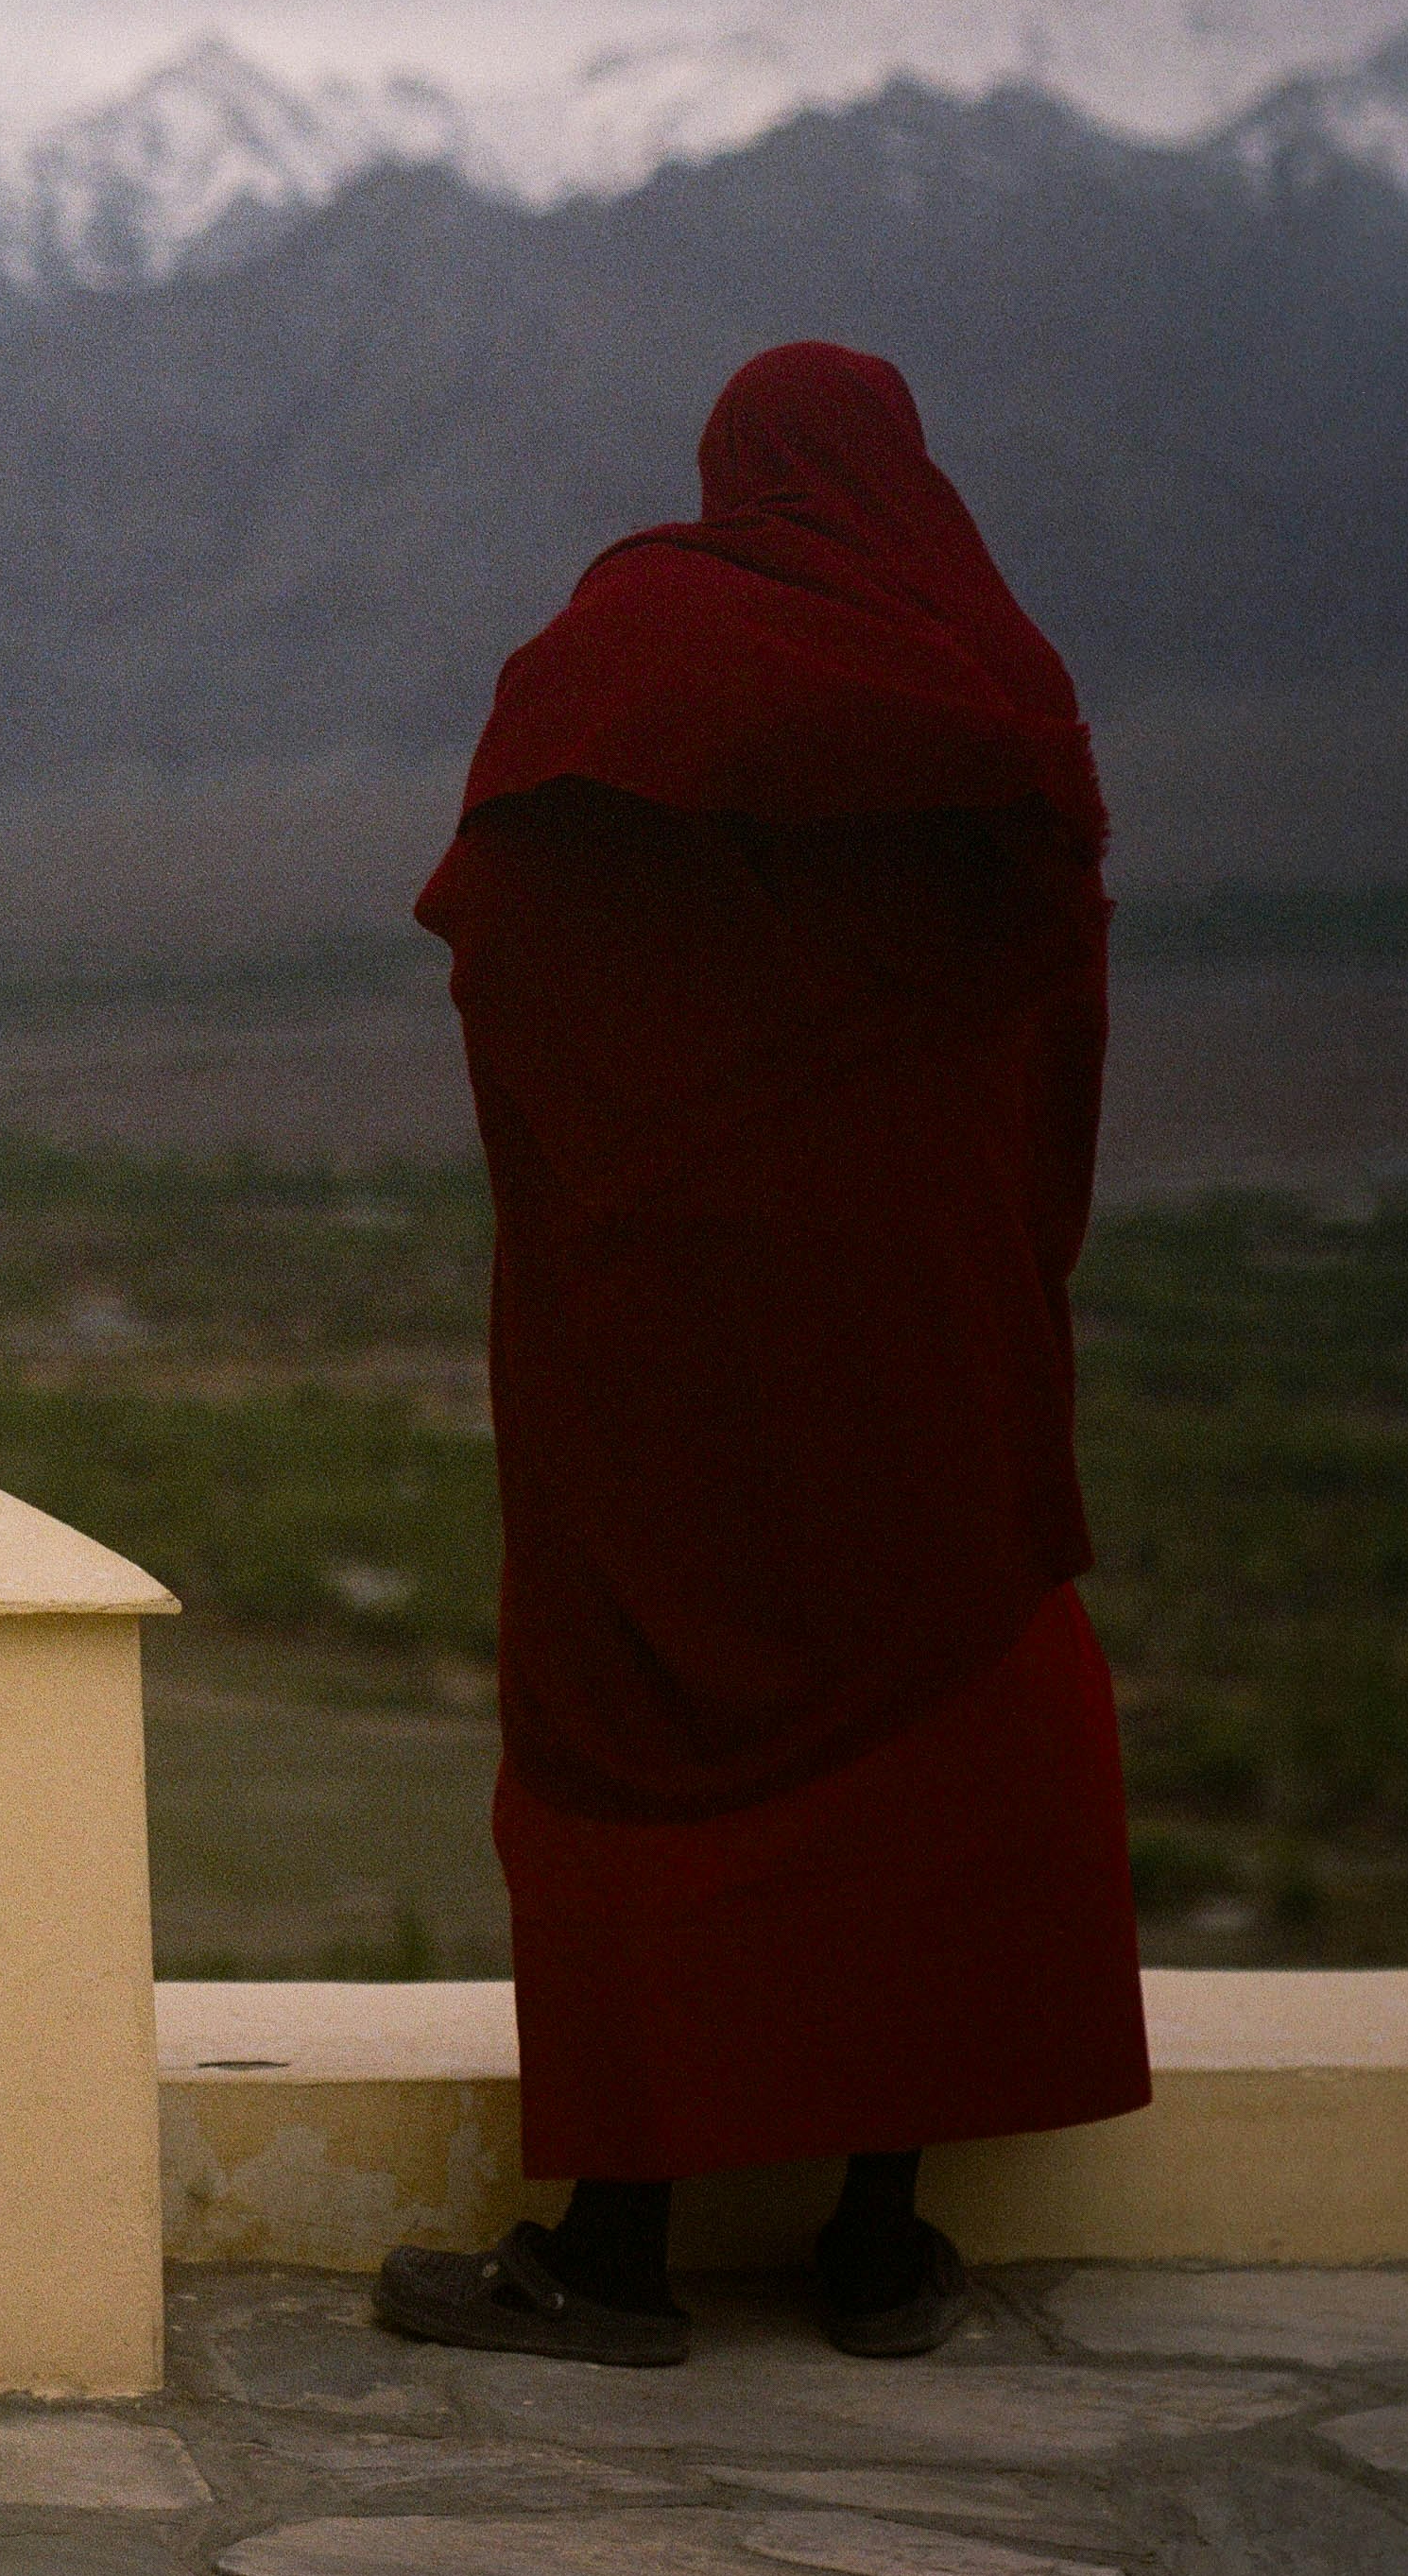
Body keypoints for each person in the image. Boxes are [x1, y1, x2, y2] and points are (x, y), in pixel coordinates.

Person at [376, 343, 1145, 2367]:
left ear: (726, 472)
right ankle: (878, 2244)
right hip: (924, 1330)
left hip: (668, 1330)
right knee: (928, 1702)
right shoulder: (989, 680)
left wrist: (619, 1167)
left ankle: (611, 2244)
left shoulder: (628, 645)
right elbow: (1053, 1007)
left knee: (638, 1691)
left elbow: (505, 932)